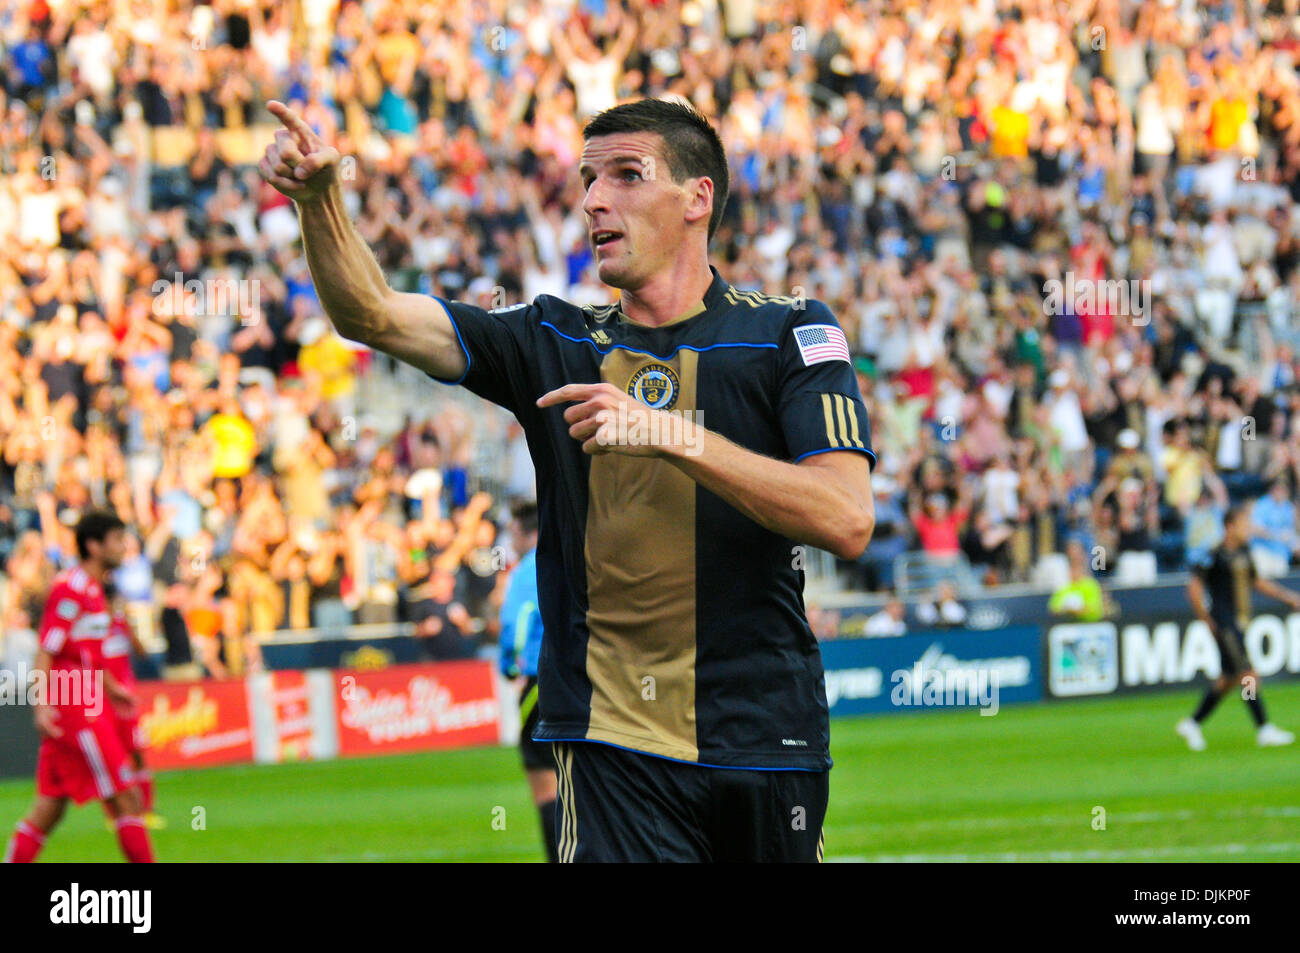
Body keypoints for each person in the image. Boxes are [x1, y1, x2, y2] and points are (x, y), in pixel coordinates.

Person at [258, 96, 875, 862]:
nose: (593, 199)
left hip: (767, 737)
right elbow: (374, 316)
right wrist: (322, 205)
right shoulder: (551, 336)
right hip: (613, 745)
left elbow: (847, 517)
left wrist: (671, 433)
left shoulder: (787, 331)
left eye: (625, 174)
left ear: (697, 198)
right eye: (588, 179)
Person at [4, 511, 156, 863]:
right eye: (117, 539)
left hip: (84, 695)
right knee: (125, 797)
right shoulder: (71, 588)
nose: (124, 546)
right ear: (94, 545)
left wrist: (109, 684)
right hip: (73, 703)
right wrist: (41, 705)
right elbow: (47, 647)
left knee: (49, 808)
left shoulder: (92, 588)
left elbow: (80, 651)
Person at [1177, 506, 1299, 751]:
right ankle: (1263, 728)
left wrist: (1289, 597)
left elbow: (1257, 582)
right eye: (1244, 524)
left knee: (1229, 679)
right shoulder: (1213, 555)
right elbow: (1194, 589)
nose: (1248, 529)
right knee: (1248, 676)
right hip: (1224, 624)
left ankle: (1192, 722)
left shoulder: (1244, 551)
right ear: (1230, 527)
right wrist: (1206, 619)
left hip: (1239, 622)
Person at [497, 502, 556, 862]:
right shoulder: (566, 558)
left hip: (538, 681)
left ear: (526, 532)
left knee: (545, 784)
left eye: (514, 534)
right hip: (576, 679)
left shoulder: (527, 570)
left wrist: (510, 664)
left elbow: (517, 622)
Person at [101, 579, 163, 830]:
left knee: (136, 754)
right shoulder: (89, 631)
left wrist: (128, 624)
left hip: (126, 700)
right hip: (102, 701)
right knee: (108, 759)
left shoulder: (119, 624)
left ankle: (146, 811)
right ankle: (113, 816)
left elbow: (142, 652)